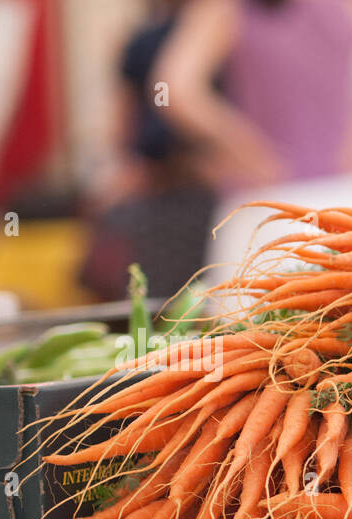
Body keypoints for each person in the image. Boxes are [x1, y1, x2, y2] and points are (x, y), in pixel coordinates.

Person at [155, 0, 352, 277]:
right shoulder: (348, 6)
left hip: (266, 205)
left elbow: (172, 88)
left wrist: (238, 143)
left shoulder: (225, 9)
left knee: (253, 314)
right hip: (347, 200)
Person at [81, 1, 216, 302]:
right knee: (179, 296)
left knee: (171, 297)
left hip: (194, 186)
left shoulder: (218, 32)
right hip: (162, 186)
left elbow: (123, 125)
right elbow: (123, 126)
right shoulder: (147, 41)